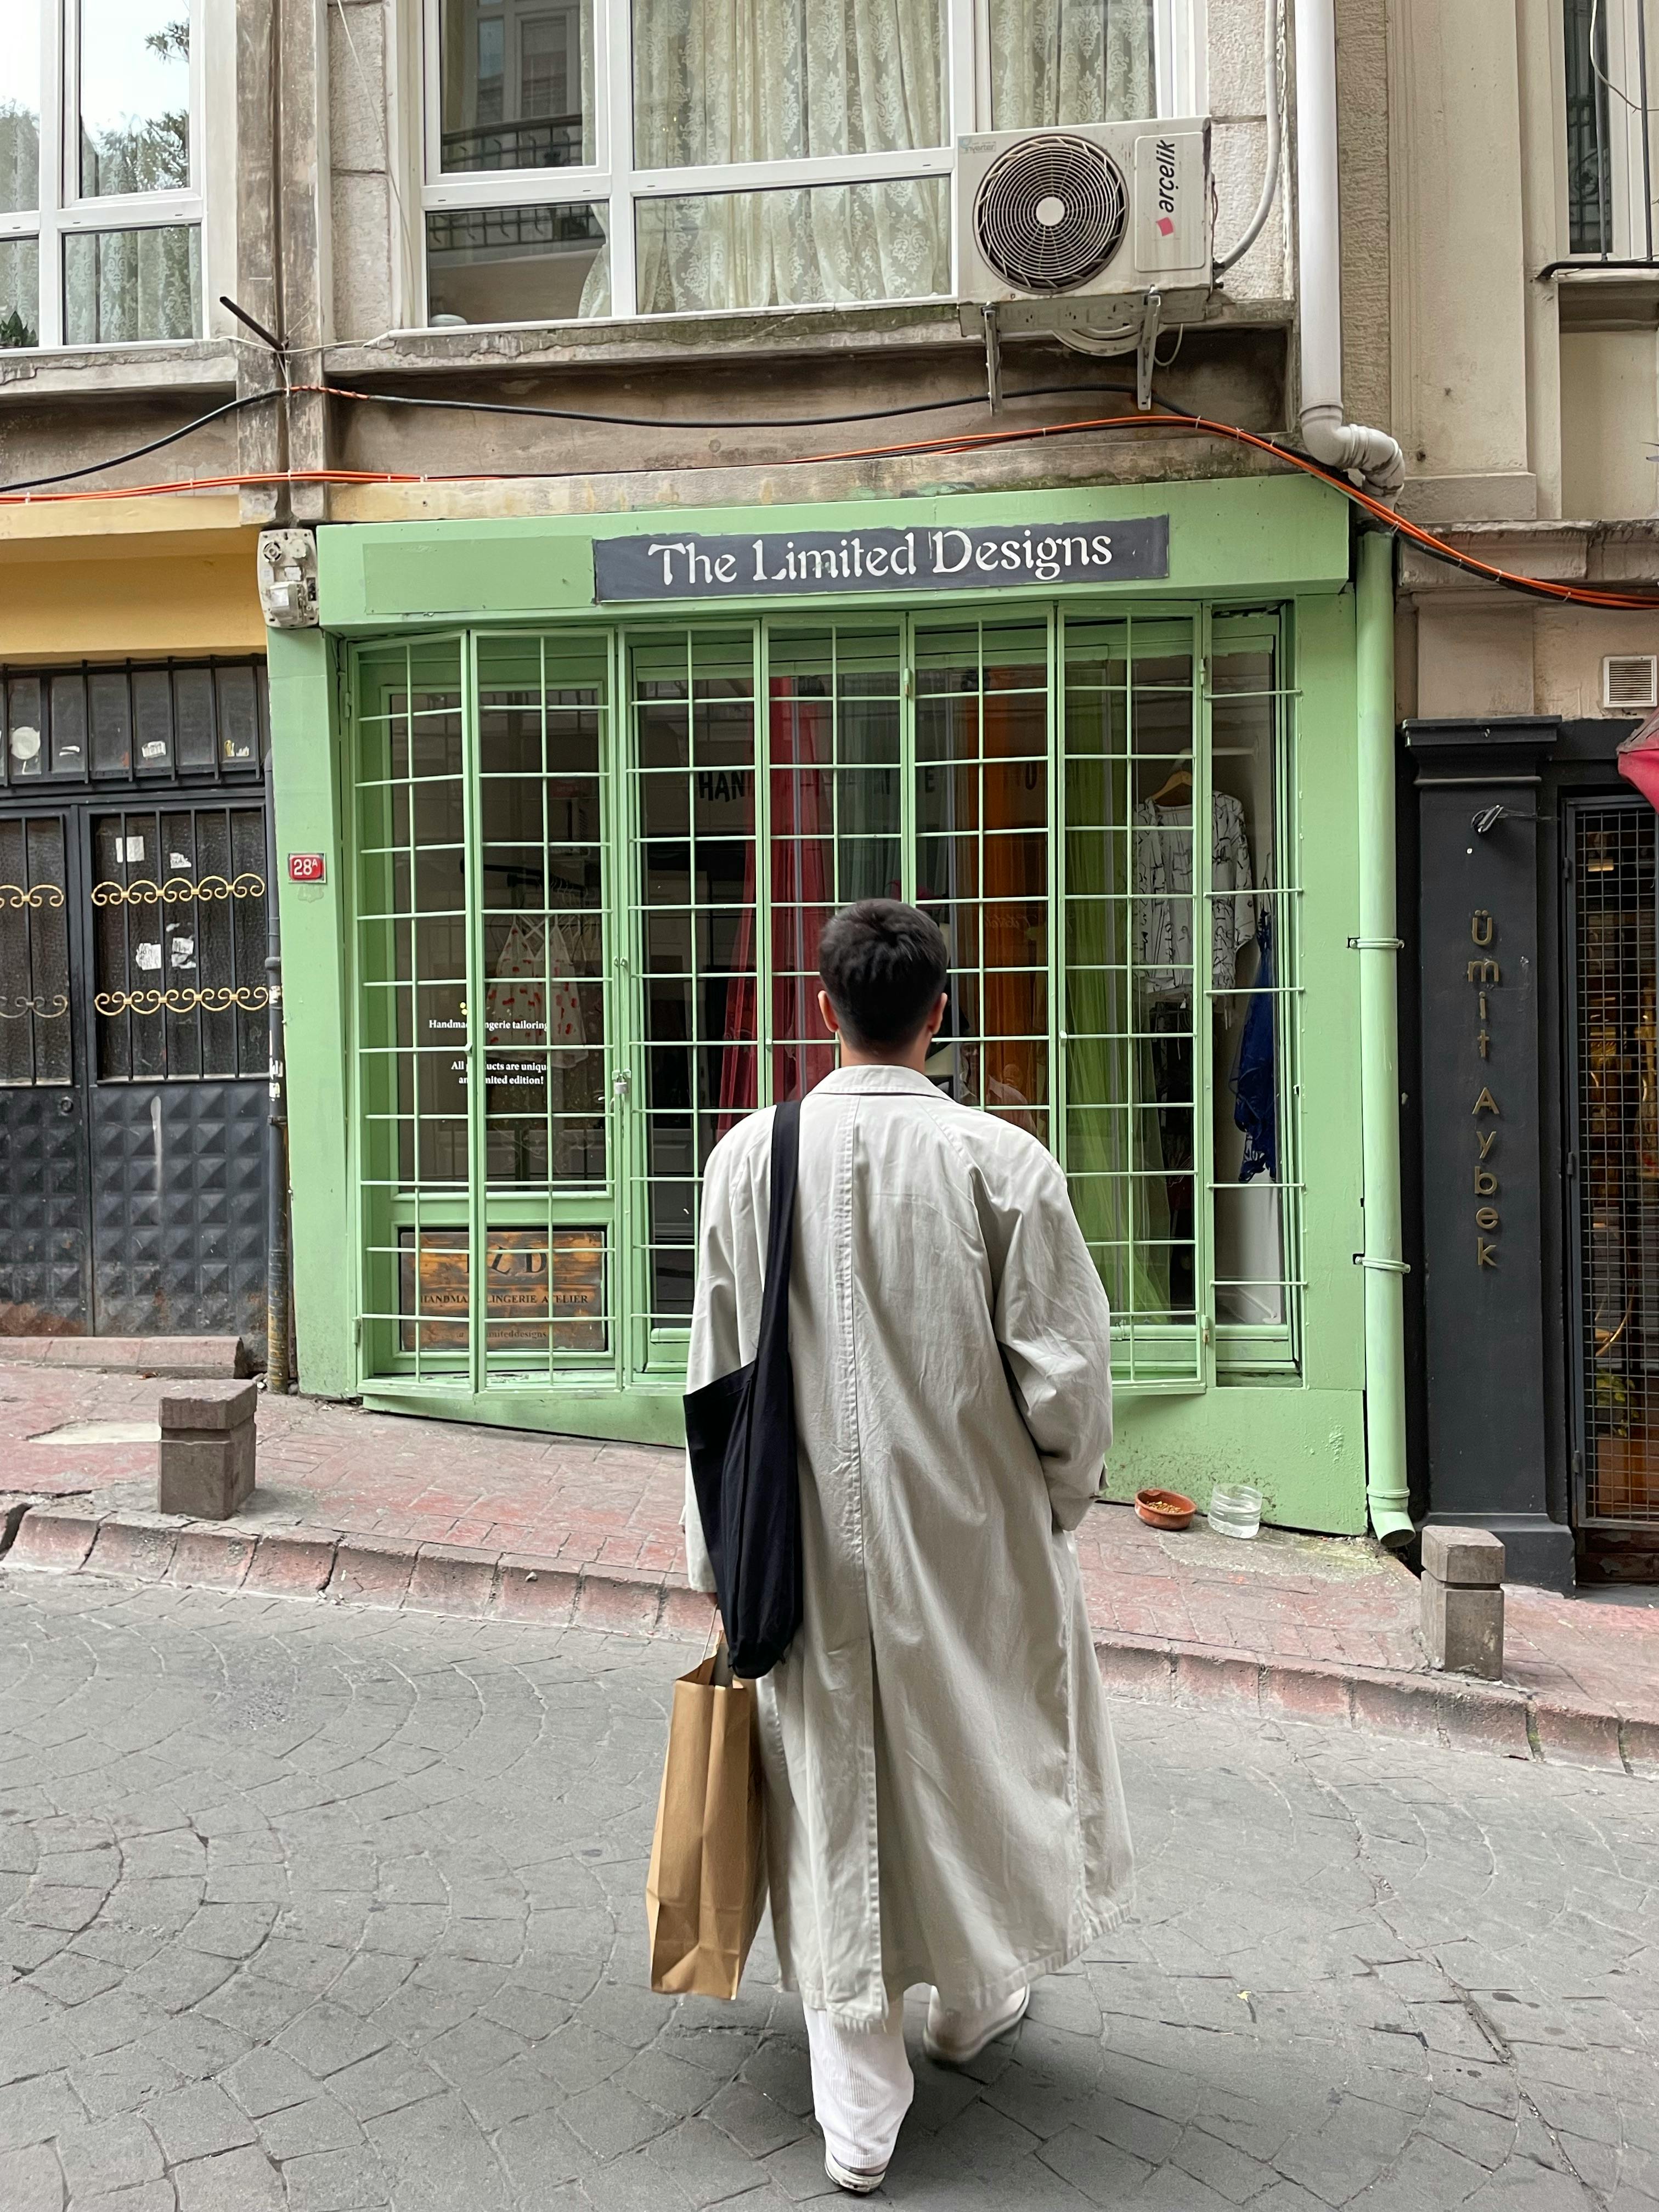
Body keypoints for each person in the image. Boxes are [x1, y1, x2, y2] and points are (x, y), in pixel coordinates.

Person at [685, 899, 1132, 2196]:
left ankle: (860, 2110)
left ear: (825, 1009)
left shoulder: (743, 1161)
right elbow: (1068, 1377)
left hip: (800, 1537)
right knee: (978, 1761)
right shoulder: (1004, 1163)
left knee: (834, 1785)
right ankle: (970, 2000)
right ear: (939, 1011)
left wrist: (715, 1554)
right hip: (974, 1530)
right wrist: (1059, 1500)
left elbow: (715, 1378)